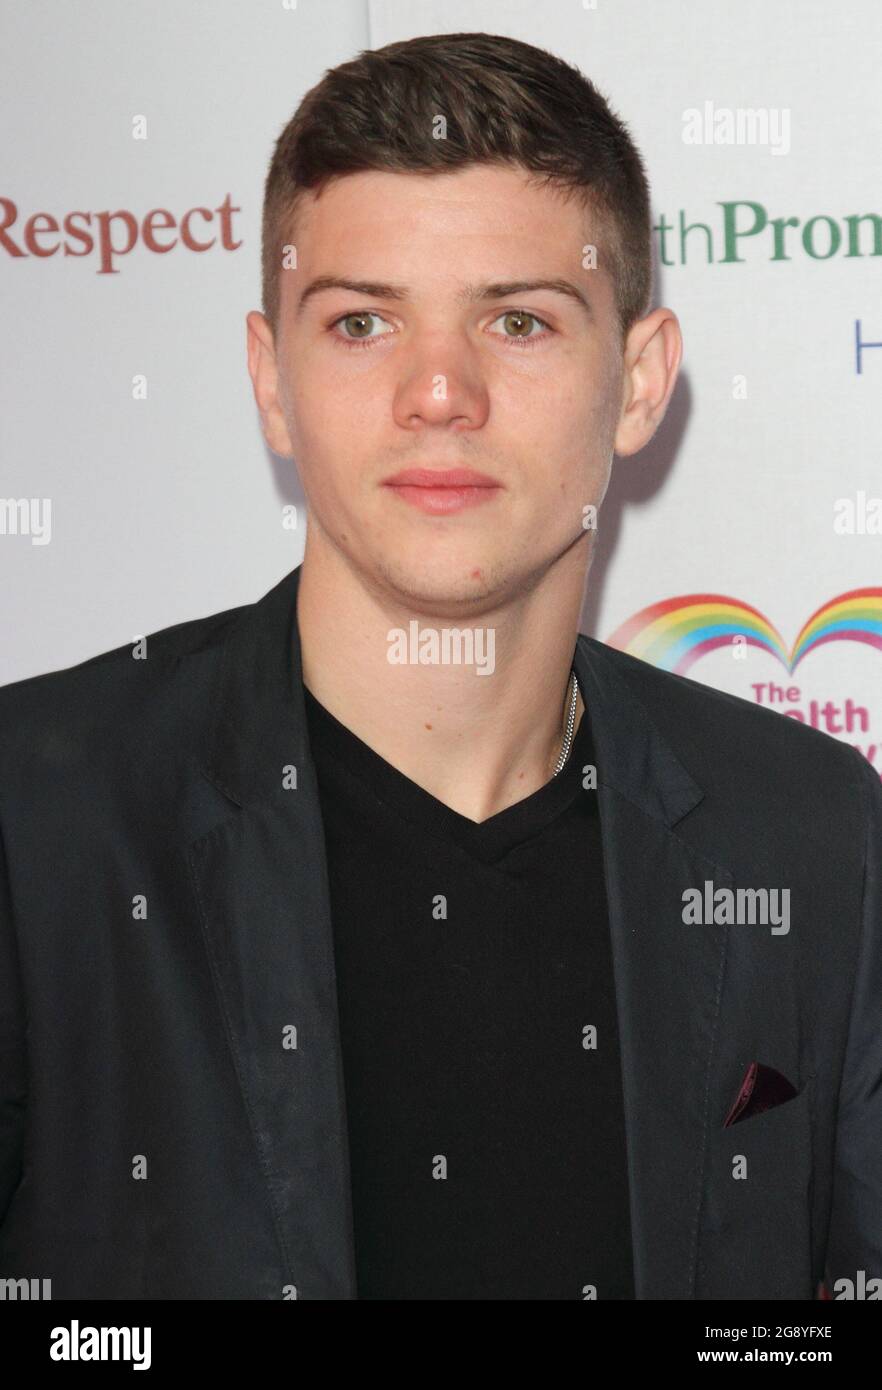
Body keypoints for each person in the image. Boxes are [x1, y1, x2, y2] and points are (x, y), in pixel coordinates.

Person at [0, 31, 879, 1301]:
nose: (438, 392)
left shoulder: (803, 832)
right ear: (272, 382)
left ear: (638, 383)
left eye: (517, 320)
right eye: (362, 322)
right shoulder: (42, 821)